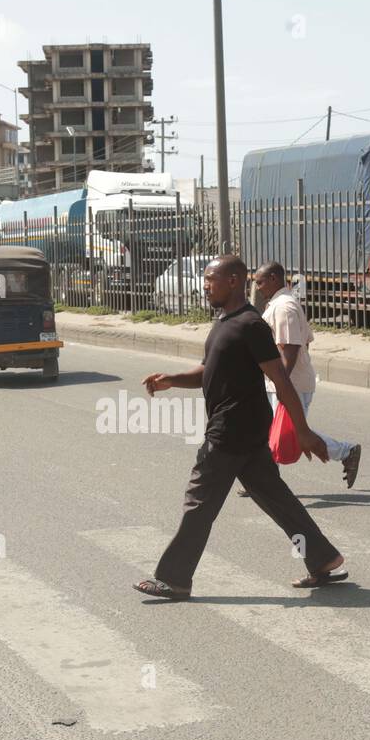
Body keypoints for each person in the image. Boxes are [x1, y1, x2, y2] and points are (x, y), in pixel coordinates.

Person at [133, 255, 347, 600]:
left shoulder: (251, 325)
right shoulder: (224, 323)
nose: (205, 285)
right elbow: (208, 372)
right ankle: (323, 559)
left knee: (199, 500)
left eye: (210, 279)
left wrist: (302, 429)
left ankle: (174, 579)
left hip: (231, 430)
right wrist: (170, 379)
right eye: (204, 280)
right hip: (245, 431)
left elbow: (281, 379)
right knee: (276, 499)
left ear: (233, 280)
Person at [253, 261, 361, 487]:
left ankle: (346, 451)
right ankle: (263, 479)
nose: (257, 287)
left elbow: (290, 349)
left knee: (293, 433)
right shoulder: (282, 304)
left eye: (260, 282)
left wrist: (281, 385)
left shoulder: (284, 307)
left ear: (274, 279)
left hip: (290, 384)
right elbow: (304, 345)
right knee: (278, 432)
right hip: (286, 382)